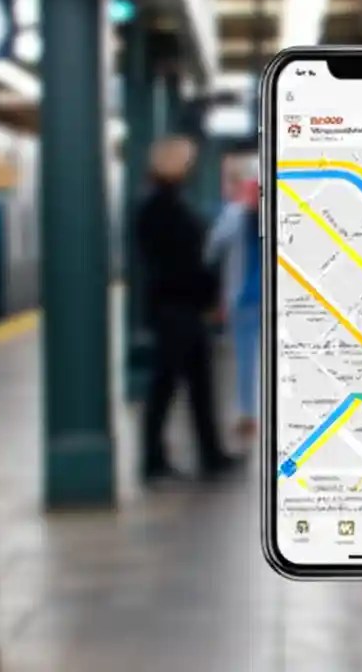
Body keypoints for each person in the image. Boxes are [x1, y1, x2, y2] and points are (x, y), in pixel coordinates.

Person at [136, 136, 238, 482]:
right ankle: (155, 459)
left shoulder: (162, 207)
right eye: (187, 163)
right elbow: (183, 262)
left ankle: (208, 453)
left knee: (195, 384)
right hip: (176, 309)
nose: (191, 169)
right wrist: (207, 292)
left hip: (181, 307)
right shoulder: (162, 210)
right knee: (168, 386)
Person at [206, 174, 261, 440]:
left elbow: (212, 250)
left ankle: (250, 414)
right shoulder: (237, 216)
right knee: (249, 358)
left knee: (247, 358)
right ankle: (252, 413)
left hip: (246, 298)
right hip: (246, 300)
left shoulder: (235, 215)